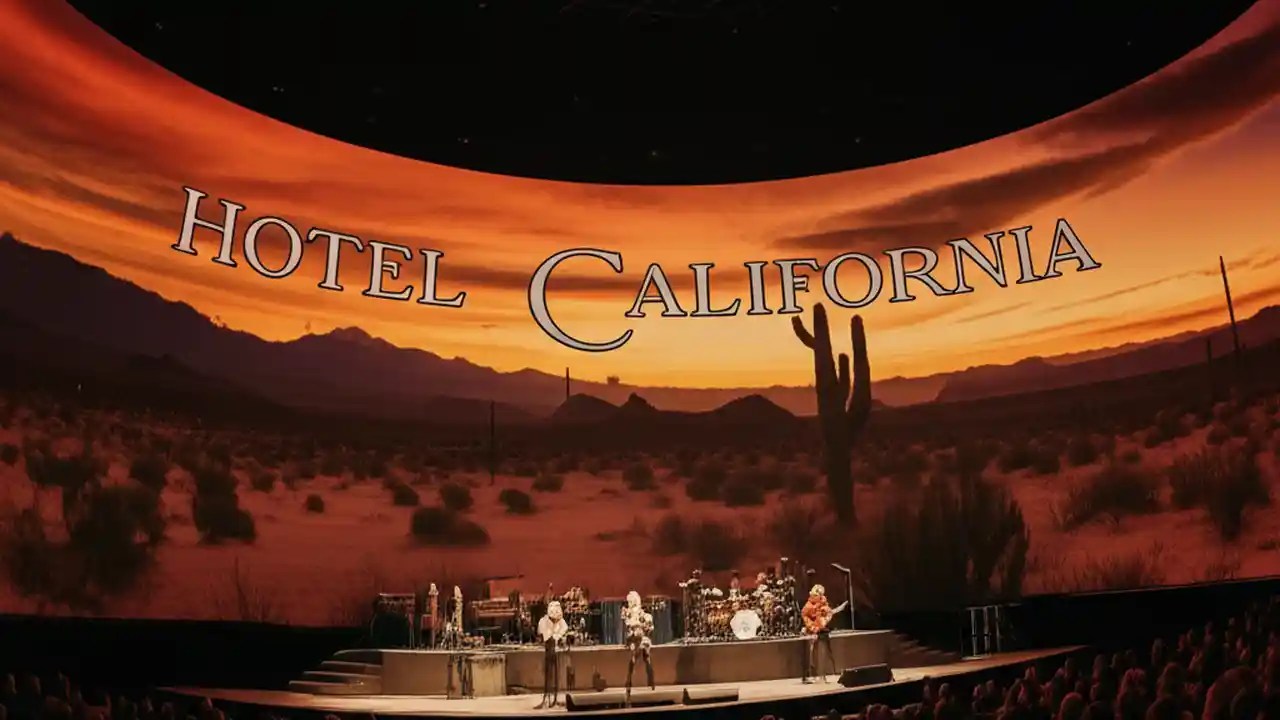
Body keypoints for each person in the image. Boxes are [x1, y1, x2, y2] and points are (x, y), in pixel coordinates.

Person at [621, 590, 655, 706]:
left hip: (641, 639)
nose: (630, 602)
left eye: (631, 600)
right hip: (633, 640)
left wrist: (643, 625)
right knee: (635, 657)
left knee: (644, 655)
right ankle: (629, 682)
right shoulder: (628, 613)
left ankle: (650, 680)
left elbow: (649, 628)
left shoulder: (642, 614)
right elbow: (628, 625)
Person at [536, 601, 569, 709]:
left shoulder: (561, 622)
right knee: (548, 673)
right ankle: (547, 697)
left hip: (555, 650)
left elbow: (563, 630)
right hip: (548, 649)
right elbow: (545, 636)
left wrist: (558, 638)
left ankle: (555, 697)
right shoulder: (543, 622)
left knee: (556, 674)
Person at [802, 584, 838, 683]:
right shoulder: (809, 605)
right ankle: (813, 675)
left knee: (825, 653)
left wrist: (824, 621)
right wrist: (813, 627)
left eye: (820, 594)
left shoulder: (824, 604)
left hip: (823, 632)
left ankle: (826, 674)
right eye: (816, 594)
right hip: (813, 633)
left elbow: (829, 613)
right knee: (813, 654)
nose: (818, 596)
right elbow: (805, 616)